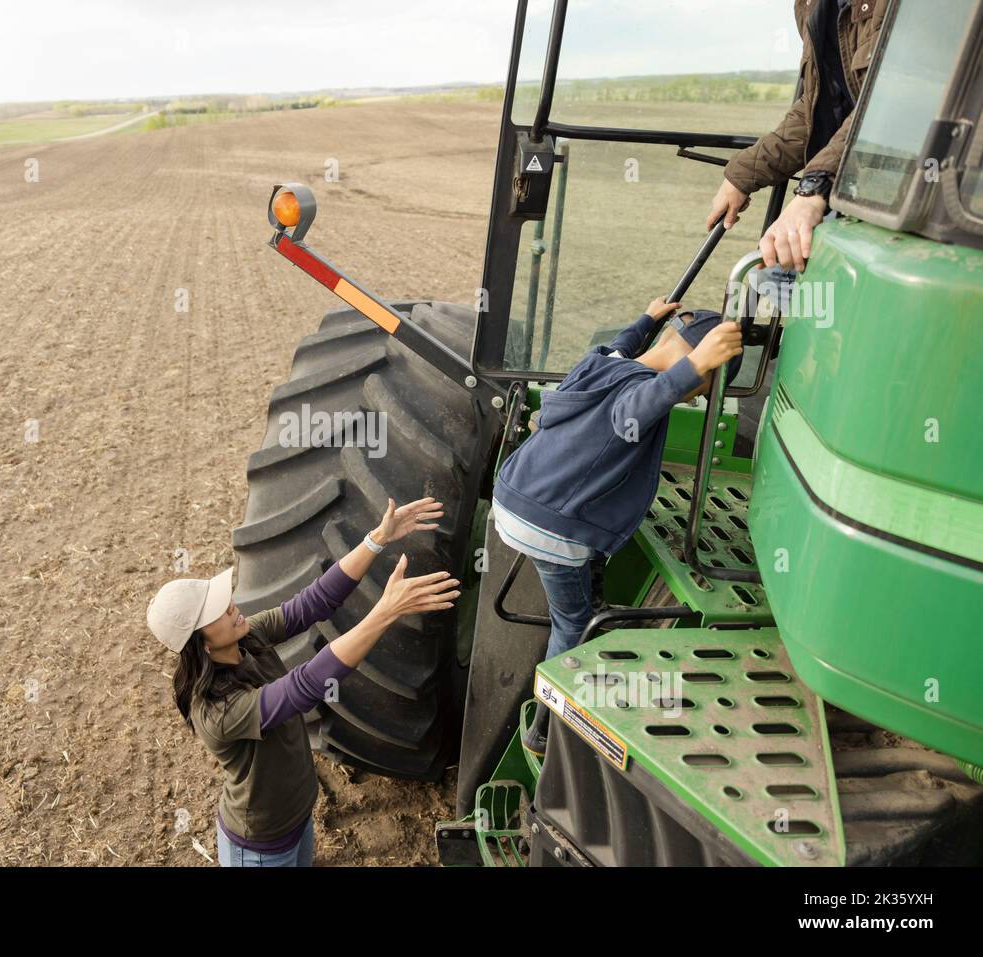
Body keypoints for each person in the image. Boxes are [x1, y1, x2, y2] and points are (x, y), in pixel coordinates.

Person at [146, 497, 458, 867]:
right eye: (217, 610)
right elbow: (305, 685)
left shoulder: (246, 639)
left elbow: (312, 603)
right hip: (260, 847)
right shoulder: (217, 710)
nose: (230, 604)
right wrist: (385, 611)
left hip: (296, 820)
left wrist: (377, 538)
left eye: (223, 598)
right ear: (201, 643)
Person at [491, 298, 744, 755]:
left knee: (577, 582)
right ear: (697, 365)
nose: (697, 395)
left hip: (513, 493)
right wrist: (697, 365)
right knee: (572, 622)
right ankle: (545, 730)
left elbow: (624, 349)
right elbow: (643, 406)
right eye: (704, 386)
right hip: (551, 527)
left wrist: (645, 321)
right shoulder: (642, 394)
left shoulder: (603, 364)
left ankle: (591, 593)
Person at [707, 0, 890, 269]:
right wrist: (742, 174)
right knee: (771, 277)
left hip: (912, 193)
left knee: (785, 278)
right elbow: (816, 108)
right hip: (856, 181)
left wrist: (814, 189)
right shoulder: (810, 6)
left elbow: (893, 99)